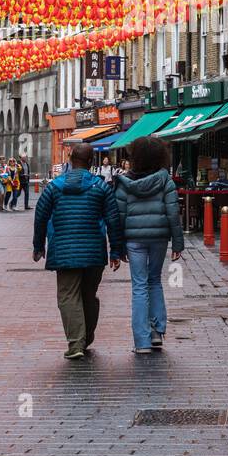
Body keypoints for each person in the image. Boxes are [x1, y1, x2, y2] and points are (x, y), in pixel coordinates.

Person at [33, 143, 124, 360]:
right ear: (91, 162)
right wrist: (116, 251)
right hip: (94, 251)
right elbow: (113, 219)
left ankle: (76, 343)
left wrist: (38, 246)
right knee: (88, 295)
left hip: (63, 251)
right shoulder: (101, 188)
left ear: (70, 160)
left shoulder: (54, 187)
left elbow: (41, 216)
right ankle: (86, 337)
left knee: (68, 295)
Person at [111, 135, 183, 354]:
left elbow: (119, 217)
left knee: (139, 286)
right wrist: (177, 243)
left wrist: (118, 246)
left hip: (134, 240)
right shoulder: (165, 181)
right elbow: (173, 213)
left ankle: (141, 341)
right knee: (155, 281)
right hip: (159, 237)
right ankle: (156, 332)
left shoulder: (124, 184)